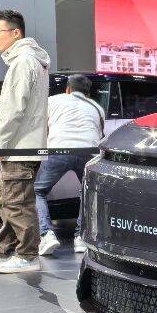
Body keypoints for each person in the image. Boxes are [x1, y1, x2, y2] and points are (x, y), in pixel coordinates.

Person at [0, 10, 49, 275]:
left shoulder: (23, 61)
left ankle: (28, 255)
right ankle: (4, 249)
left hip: (20, 146)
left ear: (15, 33)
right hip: (23, 144)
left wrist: (2, 143)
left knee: (16, 203)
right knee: (7, 200)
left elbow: (15, 110)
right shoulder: (29, 60)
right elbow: (18, 103)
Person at [36, 74, 104, 256]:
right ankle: (81, 238)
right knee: (88, 193)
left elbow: (39, 122)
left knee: (38, 191)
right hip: (89, 152)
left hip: (60, 149)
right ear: (88, 93)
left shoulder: (54, 100)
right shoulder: (97, 107)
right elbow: (100, 133)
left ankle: (46, 234)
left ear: (68, 89)